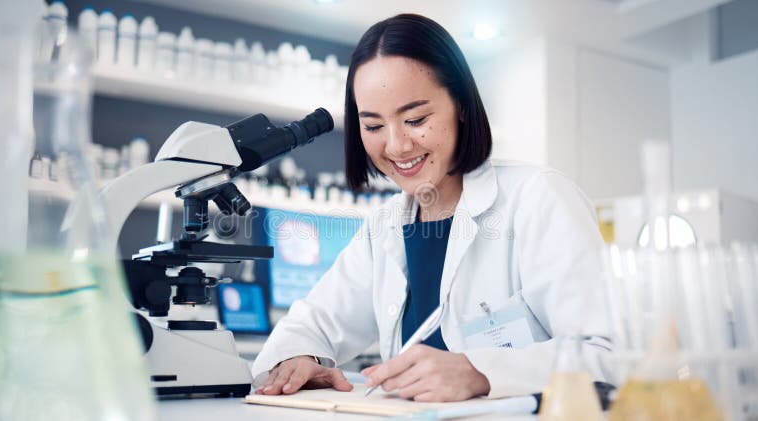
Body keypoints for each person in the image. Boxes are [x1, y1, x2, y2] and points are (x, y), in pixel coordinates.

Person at [251, 13, 612, 402]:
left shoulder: (540, 198)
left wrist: (480, 372)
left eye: (415, 119)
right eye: (373, 126)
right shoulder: (384, 227)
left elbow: (608, 355)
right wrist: (300, 358)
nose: (396, 146)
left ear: (460, 105)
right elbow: (312, 322)